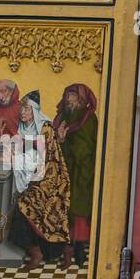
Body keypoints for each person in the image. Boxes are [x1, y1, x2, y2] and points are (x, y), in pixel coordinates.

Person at [7, 91, 70, 270]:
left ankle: (44, 252)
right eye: (21, 109)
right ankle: (36, 251)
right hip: (29, 178)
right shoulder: (21, 129)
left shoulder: (45, 128)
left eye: (27, 109)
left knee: (24, 205)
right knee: (19, 205)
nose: (22, 112)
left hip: (50, 179)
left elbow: (49, 157)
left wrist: (32, 175)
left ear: (34, 111)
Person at [52, 84, 98, 267]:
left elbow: (89, 144)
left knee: (79, 210)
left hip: (83, 170)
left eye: (72, 95)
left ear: (82, 99)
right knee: (63, 208)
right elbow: (53, 143)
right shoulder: (62, 117)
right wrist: (61, 140)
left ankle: (79, 250)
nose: (68, 98)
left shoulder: (88, 119)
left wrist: (80, 157)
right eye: (67, 94)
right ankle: (64, 252)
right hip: (64, 168)